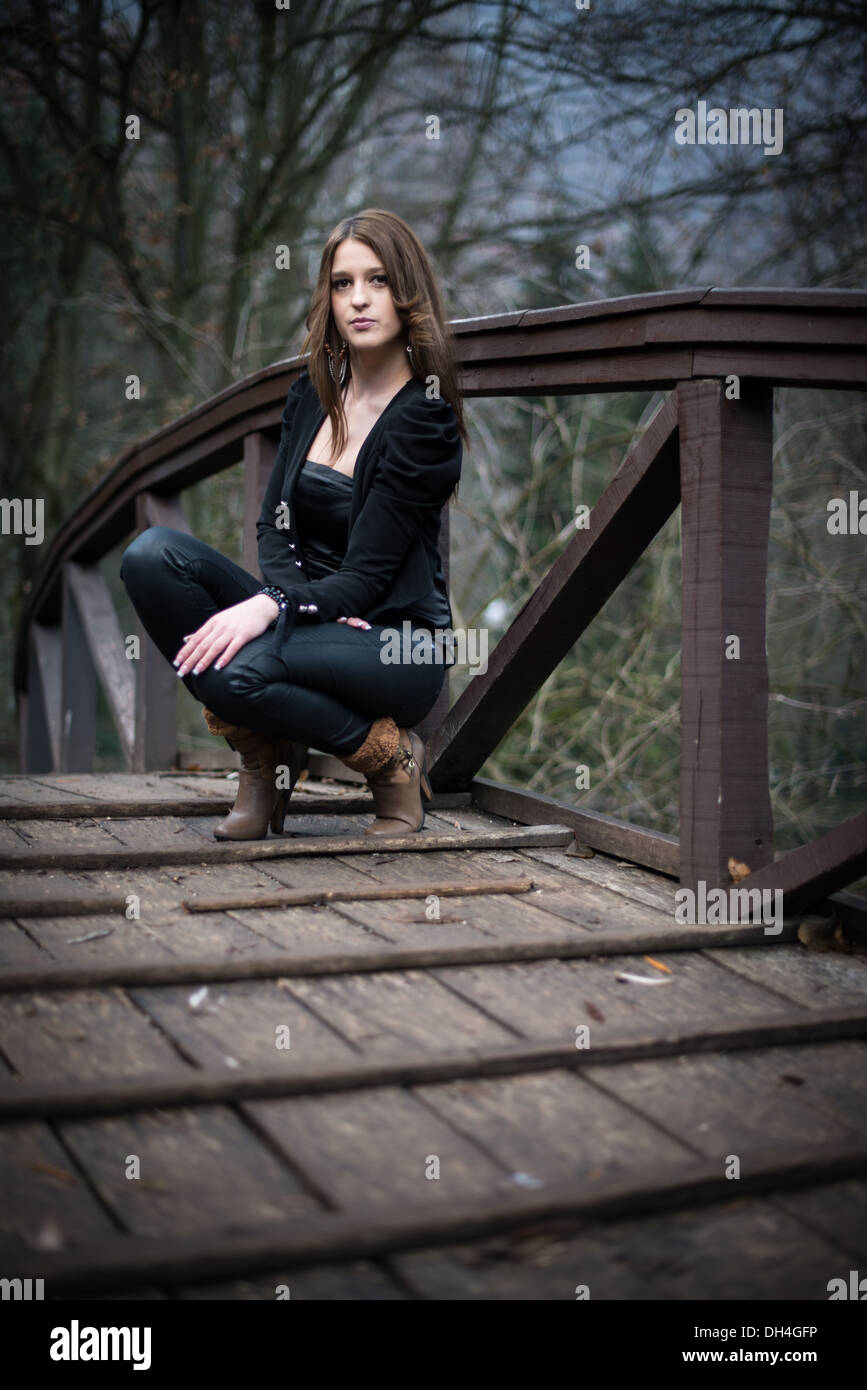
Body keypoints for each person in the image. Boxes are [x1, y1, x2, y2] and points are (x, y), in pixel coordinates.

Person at [120, 209, 467, 840]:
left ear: (408, 293)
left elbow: (364, 578)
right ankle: (269, 755)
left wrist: (276, 607)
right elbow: (273, 529)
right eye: (342, 283)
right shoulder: (312, 393)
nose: (358, 299)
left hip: (394, 641)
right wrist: (285, 601)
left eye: (378, 280)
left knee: (234, 666)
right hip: (310, 615)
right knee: (150, 557)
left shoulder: (425, 420)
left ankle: (389, 759)